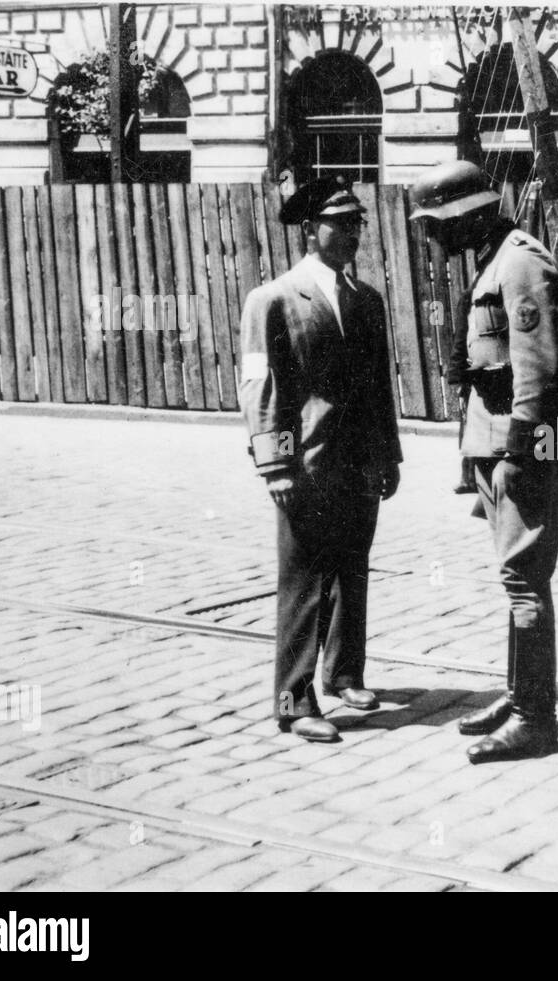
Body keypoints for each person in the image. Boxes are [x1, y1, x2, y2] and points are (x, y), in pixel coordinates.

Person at [409, 160, 558, 764]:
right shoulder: (493, 260)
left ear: (465, 216)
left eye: (435, 223)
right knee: (517, 579)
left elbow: (539, 365)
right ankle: (518, 697)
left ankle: (537, 719)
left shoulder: (520, 261)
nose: (431, 236)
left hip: (532, 439)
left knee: (524, 578)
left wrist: (517, 450)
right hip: (502, 441)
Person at [239, 177, 402, 743]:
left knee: (352, 572)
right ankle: (294, 697)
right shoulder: (274, 299)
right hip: (306, 462)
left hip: (358, 462)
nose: (353, 232)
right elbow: (261, 386)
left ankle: (344, 672)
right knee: (305, 579)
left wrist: (390, 456)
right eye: (341, 222)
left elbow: (380, 386)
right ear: (311, 229)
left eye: (358, 222)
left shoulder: (367, 299)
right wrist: (275, 464)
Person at [445, 319, 478, 494]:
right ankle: (468, 478)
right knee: (468, 431)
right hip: (468, 385)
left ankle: (471, 479)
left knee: (472, 432)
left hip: (475, 383)